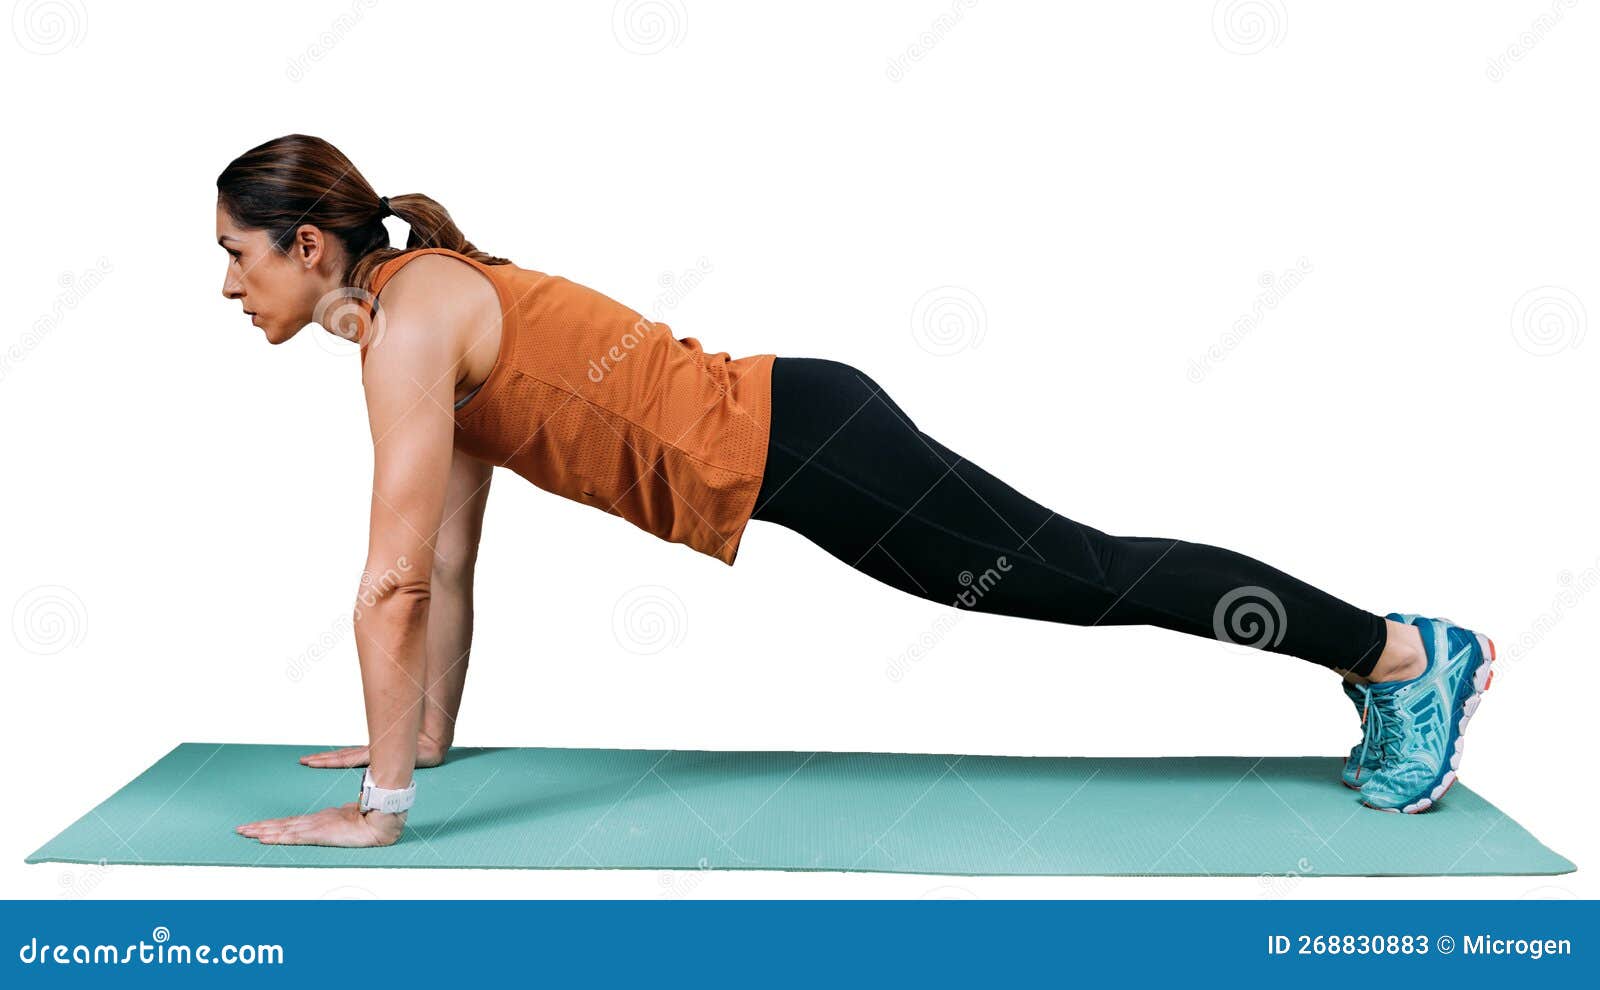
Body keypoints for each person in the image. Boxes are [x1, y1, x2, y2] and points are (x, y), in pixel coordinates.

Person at [219, 135, 1493, 849]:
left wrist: (378, 808)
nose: (229, 288)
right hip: (803, 435)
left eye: (237, 255)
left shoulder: (407, 323)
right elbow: (439, 562)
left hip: (809, 445)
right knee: (1081, 569)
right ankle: (1390, 660)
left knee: (1086, 575)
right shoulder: (418, 314)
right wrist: (423, 745)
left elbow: (386, 584)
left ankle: (1401, 657)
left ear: (310, 247)